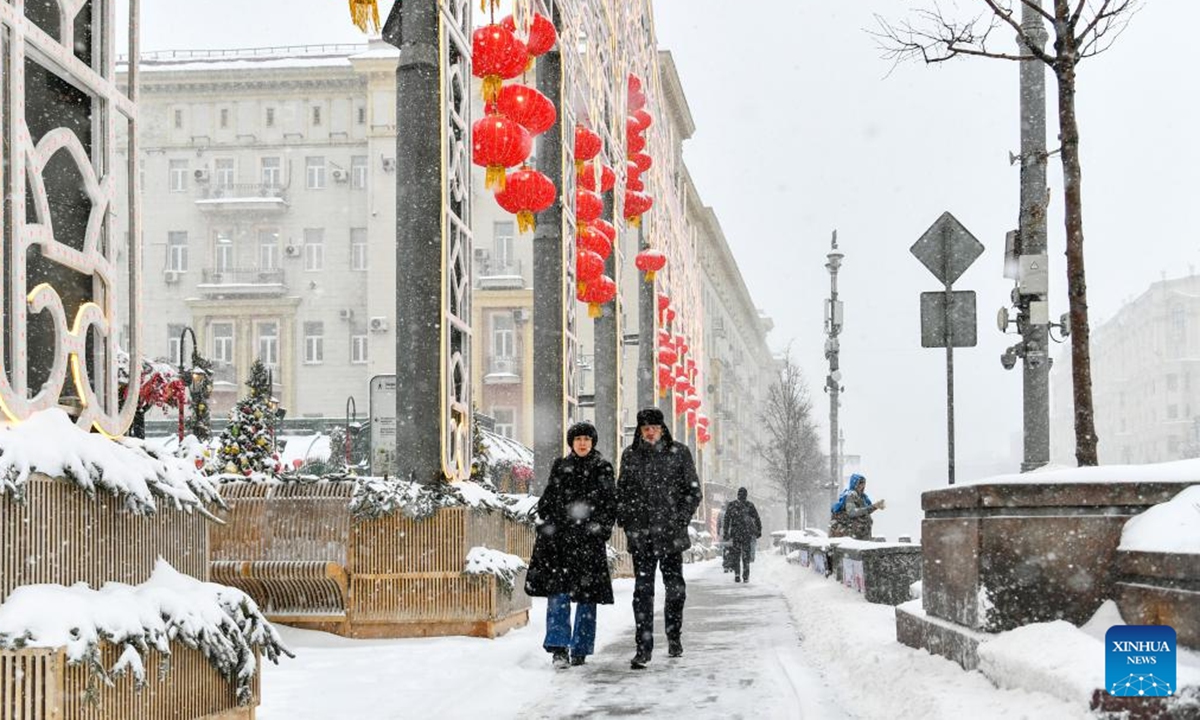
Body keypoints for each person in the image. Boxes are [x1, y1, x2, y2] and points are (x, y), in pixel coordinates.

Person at [524, 421, 617, 669]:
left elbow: (610, 504)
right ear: (572, 443)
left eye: (587, 439)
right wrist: (548, 519)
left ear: (593, 442)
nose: (582, 443)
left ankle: (580, 648)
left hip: (588, 541)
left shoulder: (602, 468)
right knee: (559, 594)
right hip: (560, 542)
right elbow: (549, 498)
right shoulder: (561, 466)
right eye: (578, 439)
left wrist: (600, 528)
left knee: (587, 597)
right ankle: (558, 648)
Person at [617, 407, 702, 670]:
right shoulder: (630, 456)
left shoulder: (679, 453)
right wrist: (629, 523)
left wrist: (679, 520)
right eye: (645, 428)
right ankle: (643, 648)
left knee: (675, 589)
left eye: (654, 427)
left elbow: (693, 492)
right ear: (640, 431)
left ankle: (674, 635)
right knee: (642, 593)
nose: (650, 432)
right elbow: (622, 493)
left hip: (671, 536)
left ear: (662, 429)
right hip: (641, 537)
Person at [722, 487, 762, 583]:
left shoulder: (732, 505)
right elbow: (757, 519)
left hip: (735, 534)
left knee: (736, 554)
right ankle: (745, 575)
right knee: (746, 555)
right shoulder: (749, 505)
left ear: (738, 495)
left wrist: (726, 533)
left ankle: (737, 574)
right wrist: (758, 530)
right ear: (746, 495)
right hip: (746, 534)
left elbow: (726, 520)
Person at [829, 473, 885, 541]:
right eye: (860, 483)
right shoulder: (850, 495)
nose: (862, 485)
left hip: (861, 533)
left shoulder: (863, 497)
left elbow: (865, 511)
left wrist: (876, 506)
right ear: (854, 483)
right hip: (851, 534)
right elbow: (852, 512)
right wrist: (873, 506)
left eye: (863, 483)